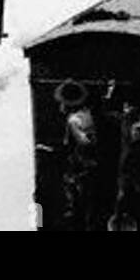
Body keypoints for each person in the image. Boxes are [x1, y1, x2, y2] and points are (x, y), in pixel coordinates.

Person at [53, 80, 101, 230]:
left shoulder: (73, 121)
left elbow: (76, 143)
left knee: (78, 200)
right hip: (93, 163)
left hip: (81, 164)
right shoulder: (87, 113)